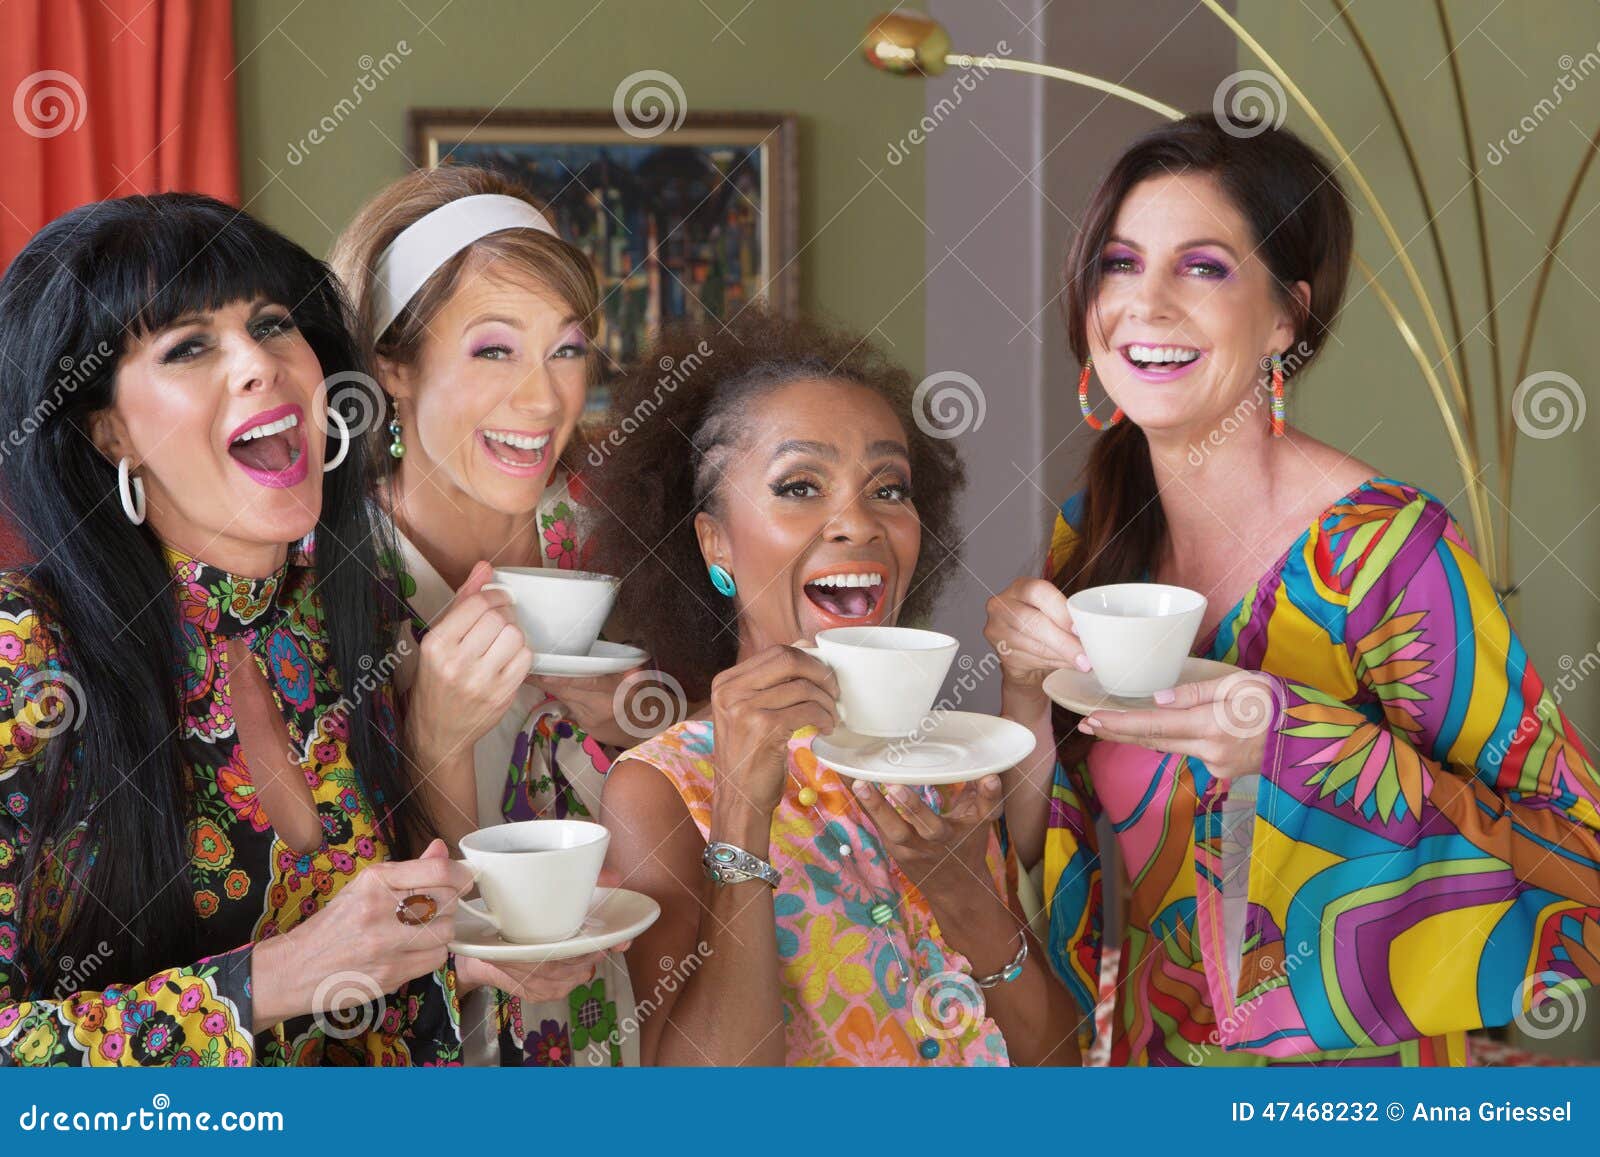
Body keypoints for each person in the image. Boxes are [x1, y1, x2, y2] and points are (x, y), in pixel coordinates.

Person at [984, 113, 1600, 1065]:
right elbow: (1030, 841)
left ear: (1286, 316)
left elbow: (1578, 857)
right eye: (1119, 262)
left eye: (1202, 266)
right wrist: (1023, 681)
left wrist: (1290, 740)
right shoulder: (1099, 527)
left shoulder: (1388, 557)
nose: (1143, 305)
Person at [0, 194, 595, 1066]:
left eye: (273, 324)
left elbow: (381, 982)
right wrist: (272, 975)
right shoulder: (25, 652)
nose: (259, 365)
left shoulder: (358, 622)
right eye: (189, 345)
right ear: (109, 431)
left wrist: (467, 957)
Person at [595, 309, 1080, 1066]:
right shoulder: (661, 786)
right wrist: (740, 819)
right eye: (799, 485)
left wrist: (963, 895)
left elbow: (1057, 1062)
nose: (858, 522)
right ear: (715, 541)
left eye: (889, 488)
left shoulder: (951, 760)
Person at [331, 165, 639, 1066]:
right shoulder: (323, 588)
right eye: (494, 349)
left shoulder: (615, 545)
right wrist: (436, 738)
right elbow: (364, 922)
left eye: (567, 349)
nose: (544, 400)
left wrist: (647, 726)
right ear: (393, 365)